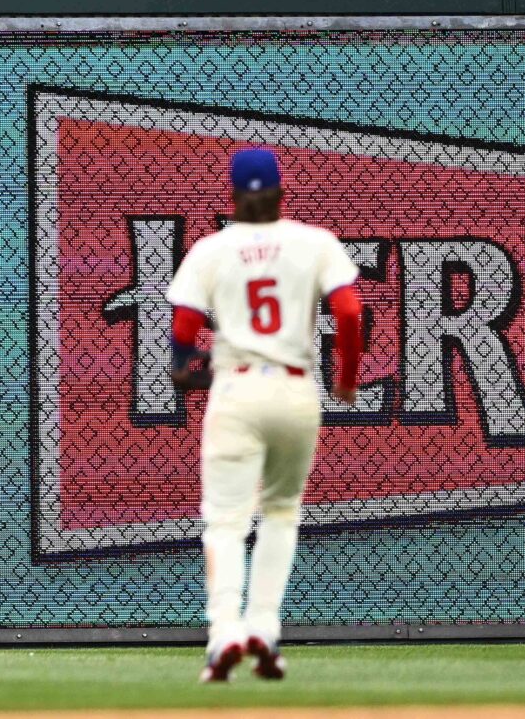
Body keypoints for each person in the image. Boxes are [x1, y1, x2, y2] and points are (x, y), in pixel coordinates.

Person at [167, 148, 361, 686]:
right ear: (280, 193)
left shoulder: (212, 248)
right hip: (295, 393)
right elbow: (348, 310)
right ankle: (266, 628)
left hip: (237, 388)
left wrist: (183, 365)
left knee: (226, 521)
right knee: (280, 512)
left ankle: (225, 631)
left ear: (232, 196)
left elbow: (184, 326)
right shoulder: (314, 242)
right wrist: (346, 378)